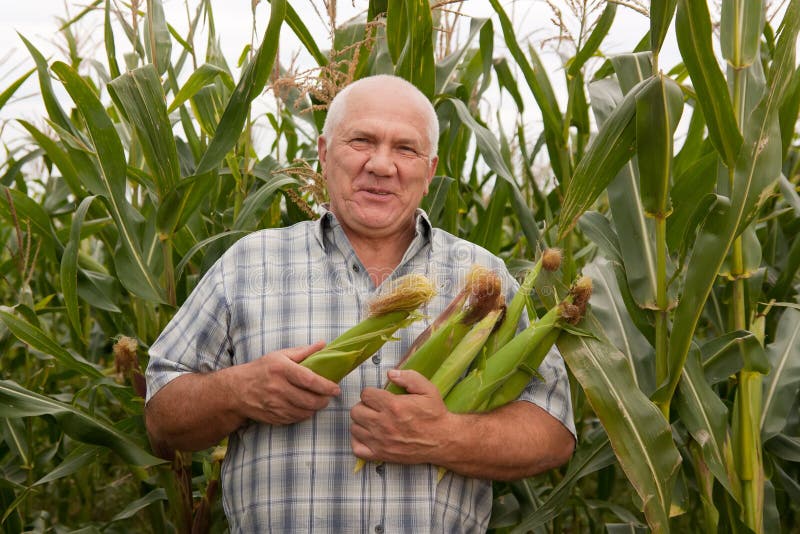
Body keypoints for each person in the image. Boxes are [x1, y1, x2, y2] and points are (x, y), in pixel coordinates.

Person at [145, 74, 576, 533]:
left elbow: (552, 433)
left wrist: (441, 436)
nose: (382, 164)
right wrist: (238, 391)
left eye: (405, 149)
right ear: (324, 153)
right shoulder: (248, 265)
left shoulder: (482, 278)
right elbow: (160, 421)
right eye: (362, 141)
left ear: (429, 172)